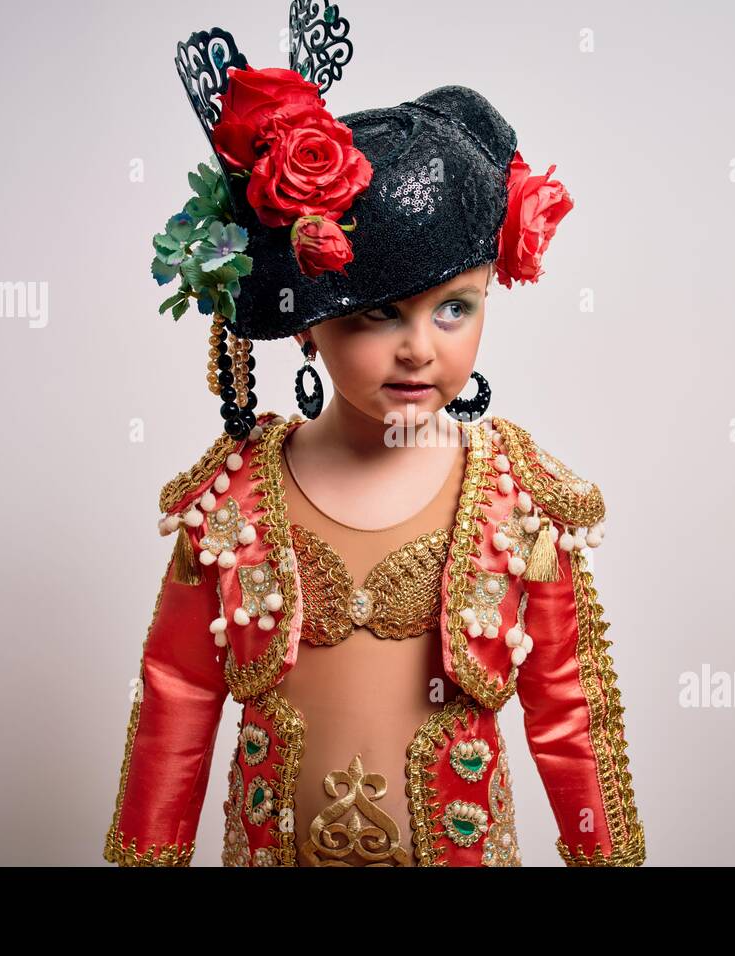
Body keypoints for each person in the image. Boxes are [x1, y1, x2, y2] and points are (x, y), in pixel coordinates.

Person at [103, 5, 645, 866]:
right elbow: (178, 698)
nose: (420, 349)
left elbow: (567, 710)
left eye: (455, 309)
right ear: (306, 327)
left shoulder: (516, 497)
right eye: (378, 315)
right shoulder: (233, 499)